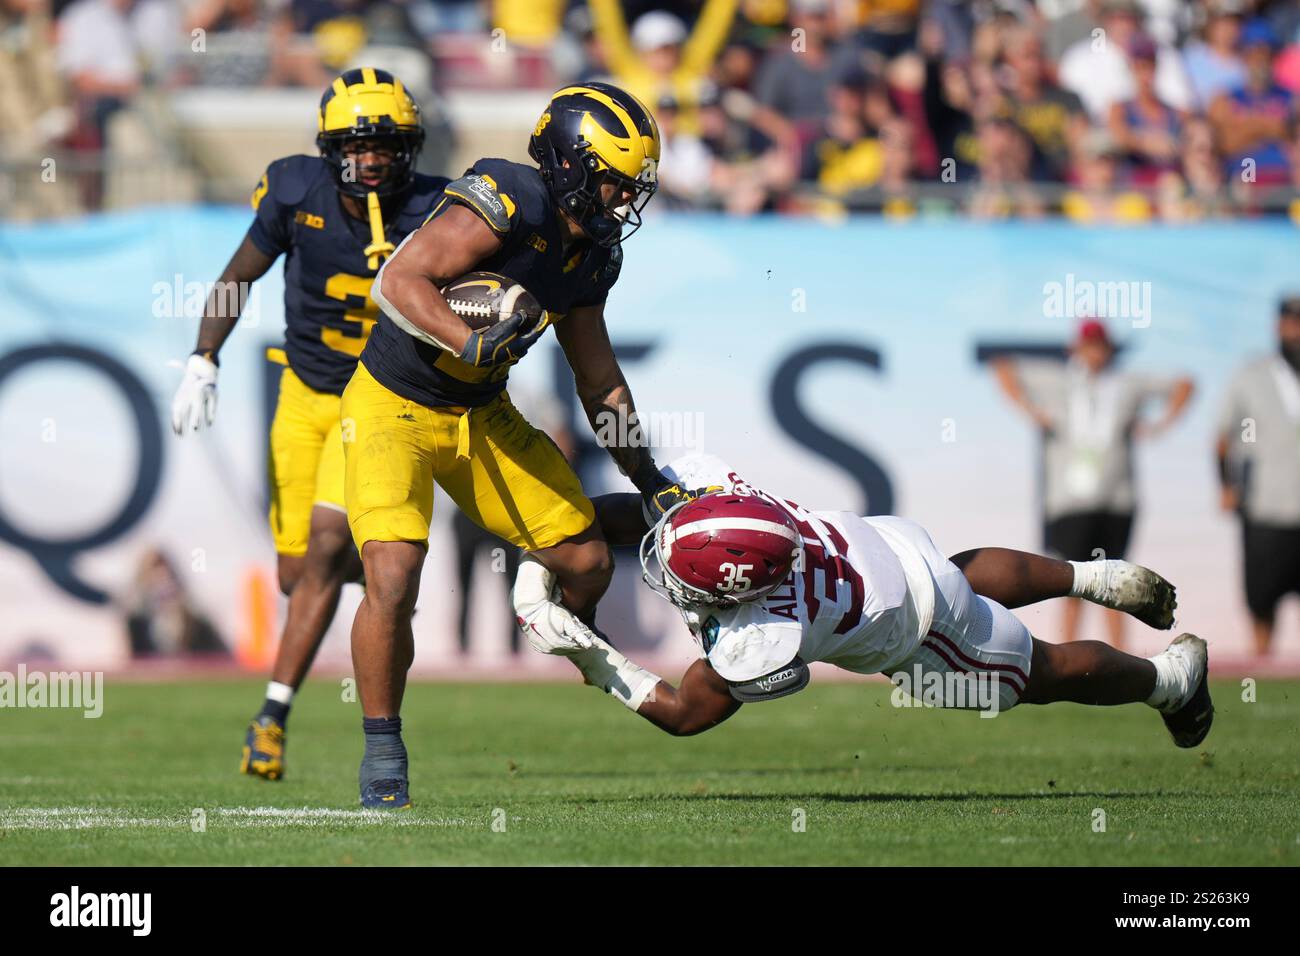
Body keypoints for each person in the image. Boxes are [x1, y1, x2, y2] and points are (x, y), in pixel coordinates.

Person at [341, 81, 707, 808]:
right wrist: (466, 337)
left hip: (480, 412)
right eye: (611, 184)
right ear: (569, 165)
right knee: (394, 573)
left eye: (629, 189)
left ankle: (553, 618)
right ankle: (383, 744)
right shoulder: (509, 196)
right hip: (392, 403)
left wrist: (648, 477)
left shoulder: (593, 258)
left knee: (588, 561)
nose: (620, 204)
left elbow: (598, 378)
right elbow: (398, 279)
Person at [512, 455, 1212, 749]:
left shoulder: (765, 634)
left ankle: (1168, 683)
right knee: (956, 570)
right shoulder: (722, 501)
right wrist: (560, 537)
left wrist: (587, 652)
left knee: (1043, 675)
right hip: (885, 546)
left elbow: (686, 713)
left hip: (920, 627)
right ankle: (1093, 578)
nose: (662, 568)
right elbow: (649, 512)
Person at [170, 68, 446, 781]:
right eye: (357, 144)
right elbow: (239, 276)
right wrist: (204, 357)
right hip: (303, 397)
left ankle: (272, 718)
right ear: (330, 150)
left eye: (387, 144)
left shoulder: (437, 209)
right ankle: (372, 569)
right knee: (299, 575)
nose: (373, 158)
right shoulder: (296, 192)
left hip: (377, 403)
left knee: (325, 544)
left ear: (408, 148)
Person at [992, 320, 1194, 648]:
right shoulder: (1058, 381)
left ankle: (1120, 654)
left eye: (1100, 347)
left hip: (1116, 497)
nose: (1095, 354)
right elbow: (1003, 367)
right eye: (1089, 346)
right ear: (1077, 349)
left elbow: (1185, 383)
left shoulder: (1127, 383)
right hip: (1070, 499)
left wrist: (1161, 424)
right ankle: (1066, 653)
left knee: (1115, 579)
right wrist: (1029, 410)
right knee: (1072, 580)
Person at [1215, 295, 1300, 655]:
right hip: (1266, 507)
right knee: (1262, 602)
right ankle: (1262, 677)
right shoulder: (1252, 375)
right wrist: (1227, 485)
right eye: (1292, 322)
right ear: (1279, 325)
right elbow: (1222, 439)